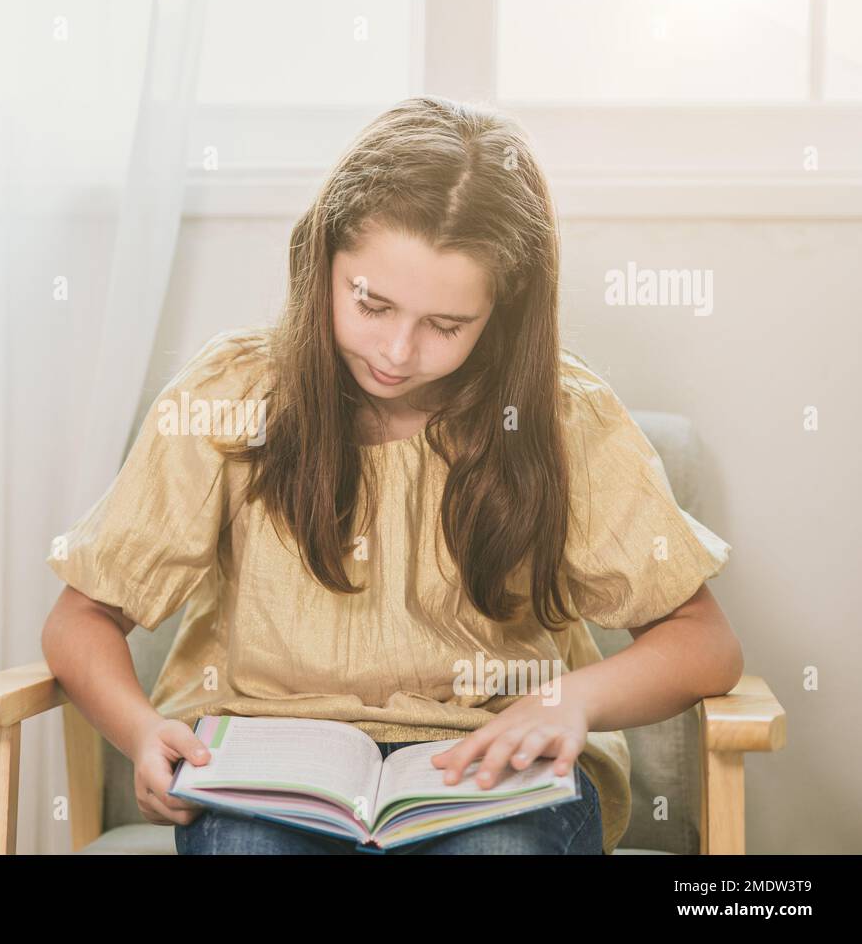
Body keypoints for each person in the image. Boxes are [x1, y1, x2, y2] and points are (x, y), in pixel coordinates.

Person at [41, 95, 742, 855]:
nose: (398, 353)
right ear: (323, 264)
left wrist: (566, 701)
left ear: (501, 314)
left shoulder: (562, 420)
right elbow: (82, 618)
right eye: (371, 304)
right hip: (271, 776)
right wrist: (141, 730)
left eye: (446, 326)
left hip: (491, 773)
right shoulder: (232, 396)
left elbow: (703, 643)